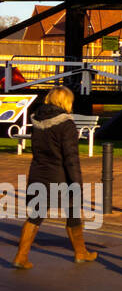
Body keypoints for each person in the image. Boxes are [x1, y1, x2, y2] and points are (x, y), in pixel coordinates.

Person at [11, 85, 97, 269]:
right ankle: (80, 252)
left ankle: (21, 256)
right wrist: (77, 182)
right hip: (61, 176)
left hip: (39, 172)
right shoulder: (66, 124)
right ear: (65, 101)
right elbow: (71, 157)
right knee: (73, 211)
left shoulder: (36, 121)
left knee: (35, 216)